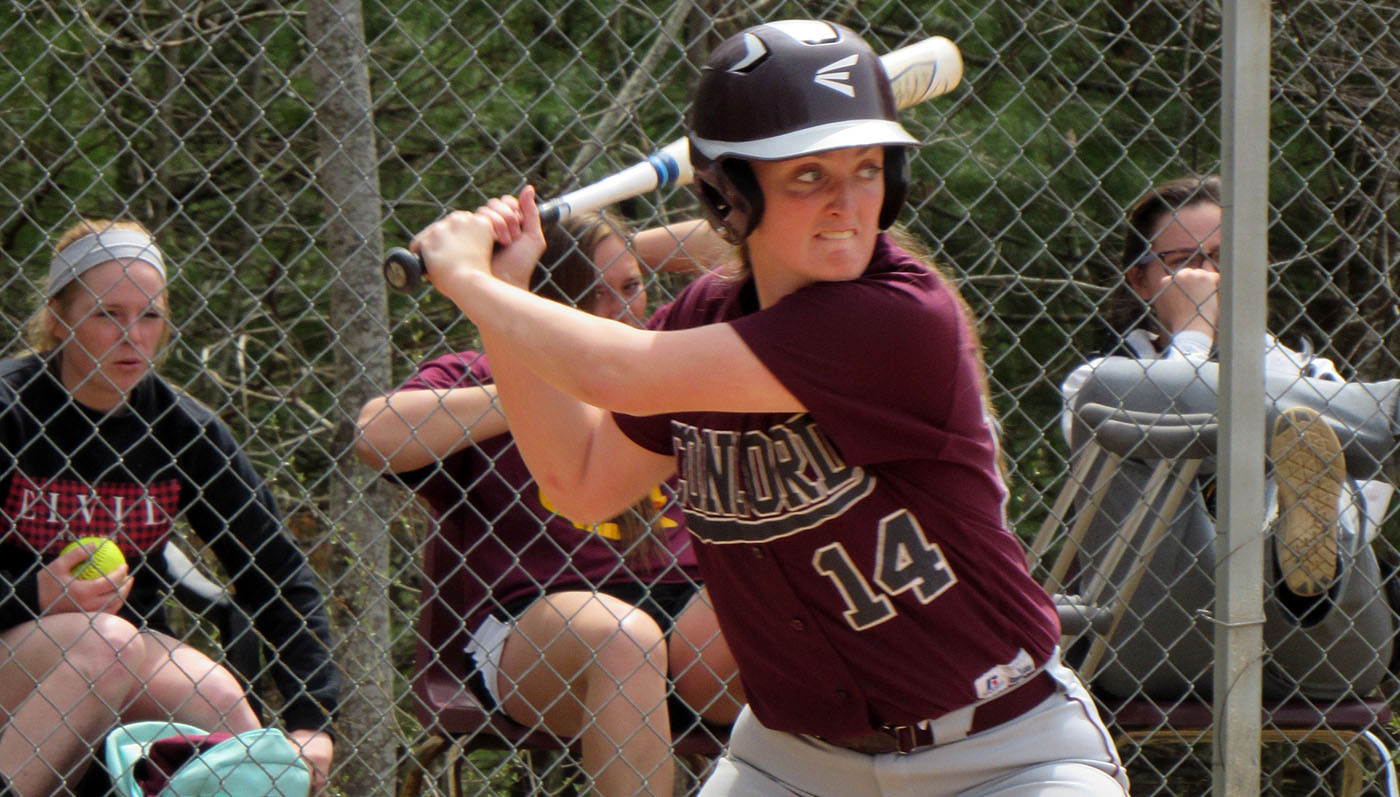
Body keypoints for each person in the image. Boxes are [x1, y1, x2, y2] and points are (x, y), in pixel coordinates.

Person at [404, 19, 1129, 795]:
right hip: (793, 760)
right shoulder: (705, 312)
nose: (846, 203)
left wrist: (468, 282)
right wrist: (504, 294)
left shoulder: (899, 315)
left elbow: (621, 373)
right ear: (730, 194)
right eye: (808, 175)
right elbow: (580, 479)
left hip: (1003, 751)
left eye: (867, 169)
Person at [355, 209, 742, 797]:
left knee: (781, 603)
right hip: (545, 630)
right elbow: (376, 435)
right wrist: (543, 383)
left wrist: (613, 240)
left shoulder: (658, 351)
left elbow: (754, 246)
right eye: (593, 292)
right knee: (623, 638)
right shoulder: (480, 372)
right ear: (541, 297)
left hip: (689, 617)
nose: (620, 310)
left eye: (631, 286)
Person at [0, 218, 340, 796]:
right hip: (18, 642)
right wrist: (35, 594)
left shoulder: (183, 431)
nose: (133, 335)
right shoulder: (9, 409)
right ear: (58, 318)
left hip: (119, 654)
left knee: (224, 703)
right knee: (106, 642)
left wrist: (312, 721)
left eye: (150, 315)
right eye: (108, 313)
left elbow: (277, 572)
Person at [1060, 175, 1400, 702]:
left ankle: (1293, 557)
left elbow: (1360, 524)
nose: (1208, 276)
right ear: (1140, 280)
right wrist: (1192, 336)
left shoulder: (1314, 375)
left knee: (1313, 450)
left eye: (1225, 258)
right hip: (1156, 637)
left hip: (1314, 642)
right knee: (1121, 392)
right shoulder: (1091, 384)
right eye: (1184, 260)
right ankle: (1395, 423)